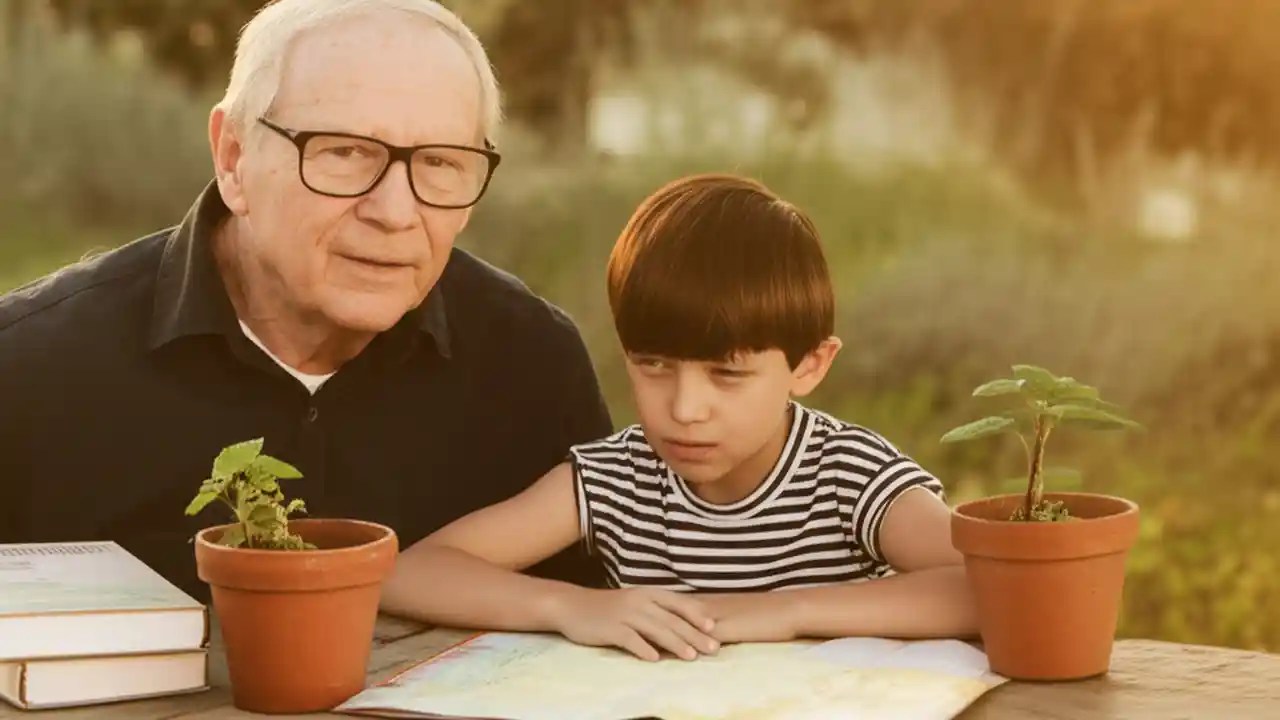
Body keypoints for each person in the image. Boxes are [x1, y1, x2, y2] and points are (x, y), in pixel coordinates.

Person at [0, 0, 611, 598]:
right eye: (345, 152)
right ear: (234, 158)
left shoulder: (535, 367)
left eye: (441, 163)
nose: (396, 213)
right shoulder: (27, 373)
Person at [381, 174, 979, 661]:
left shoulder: (848, 473)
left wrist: (787, 610)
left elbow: (992, 585)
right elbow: (411, 573)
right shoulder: (618, 477)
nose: (685, 409)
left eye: (728, 374)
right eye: (654, 365)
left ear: (809, 365)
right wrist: (573, 607)